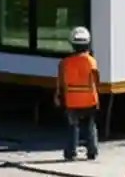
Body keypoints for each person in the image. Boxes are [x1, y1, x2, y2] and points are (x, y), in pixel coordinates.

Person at [54, 26, 99, 161]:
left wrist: (58, 96)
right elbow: (96, 80)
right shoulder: (92, 61)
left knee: (73, 126)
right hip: (90, 100)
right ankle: (92, 151)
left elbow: (60, 82)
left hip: (72, 100)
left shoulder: (64, 63)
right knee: (90, 125)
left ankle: (71, 152)